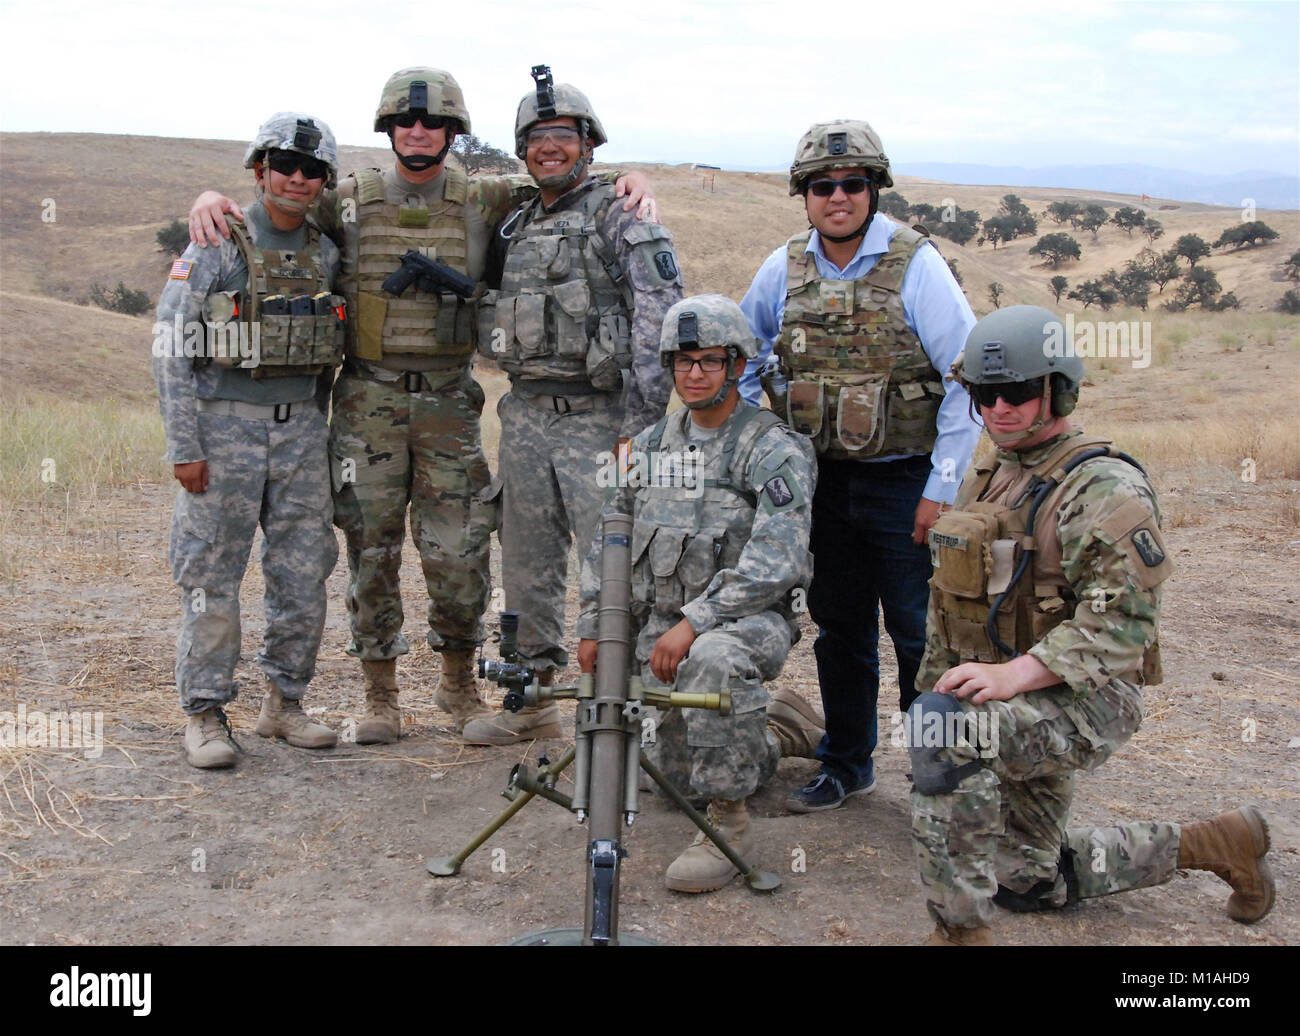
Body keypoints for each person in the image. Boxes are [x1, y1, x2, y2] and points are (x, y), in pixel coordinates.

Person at [188, 69, 656, 744]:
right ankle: (381, 697)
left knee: (459, 550)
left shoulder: (490, 196)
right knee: (369, 549)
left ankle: (459, 686)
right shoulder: (346, 199)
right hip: (366, 399)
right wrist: (214, 199)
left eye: (433, 123)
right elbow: (274, 211)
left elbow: (569, 182)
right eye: (406, 123)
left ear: (453, 132)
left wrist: (633, 180)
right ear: (388, 130)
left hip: (448, 402)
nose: (418, 132)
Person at [908, 305, 1274, 944]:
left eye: (1018, 392)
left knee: (943, 729)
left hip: (1088, 697)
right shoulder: (994, 472)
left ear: (1058, 389)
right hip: (1020, 692)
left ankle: (959, 933)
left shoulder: (1101, 486)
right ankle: (1217, 843)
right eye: (985, 394)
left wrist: (1009, 677)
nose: (999, 409)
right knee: (1027, 881)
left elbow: (1124, 622)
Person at [740, 119, 982, 812]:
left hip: (903, 482)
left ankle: (940, 777)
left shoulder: (916, 265)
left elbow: (963, 377)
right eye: (823, 186)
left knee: (919, 634)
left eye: (853, 184)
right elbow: (745, 350)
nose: (838, 197)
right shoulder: (782, 267)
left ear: (874, 189)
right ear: (804, 194)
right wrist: (764, 439)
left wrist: (940, 488)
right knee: (840, 629)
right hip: (819, 484)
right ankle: (848, 762)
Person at [577, 294, 825, 892]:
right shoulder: (646, 448)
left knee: (708, 665)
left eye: (710, 361)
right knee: (669, 777)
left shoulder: (771, 448)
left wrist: (695, 621)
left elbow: (777, 561)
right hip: (661, 627)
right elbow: (607, 540)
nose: (694, 373)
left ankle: (727, 824)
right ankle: (777, 732)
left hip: (744, 623)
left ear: (737, 366)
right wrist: (595, 622)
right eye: (682, 361)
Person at [462, 68, 682, 745]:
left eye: (562, 134)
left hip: (602, 420)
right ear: (522, 148)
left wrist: (639, 431)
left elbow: (660, 319)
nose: (548, 146)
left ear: (588, 142)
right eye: (536, 136)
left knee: (618, 566)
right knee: (527, 561)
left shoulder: (621, 214)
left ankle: (631, 711)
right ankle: (532, 701)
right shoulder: (517, 220)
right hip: (524, 414)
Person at [155, 113, 343, 768]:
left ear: (323, 181)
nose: (296, 178)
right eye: (283, 165)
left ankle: (284, 704)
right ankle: (205, 714)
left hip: (300, 435)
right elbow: (172, 348)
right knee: (211, 573)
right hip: (223, 428)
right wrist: (185, 445)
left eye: (311, 169)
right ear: (259, 170)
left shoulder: (325, 252)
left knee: (303, 573)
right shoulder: (215, 242)